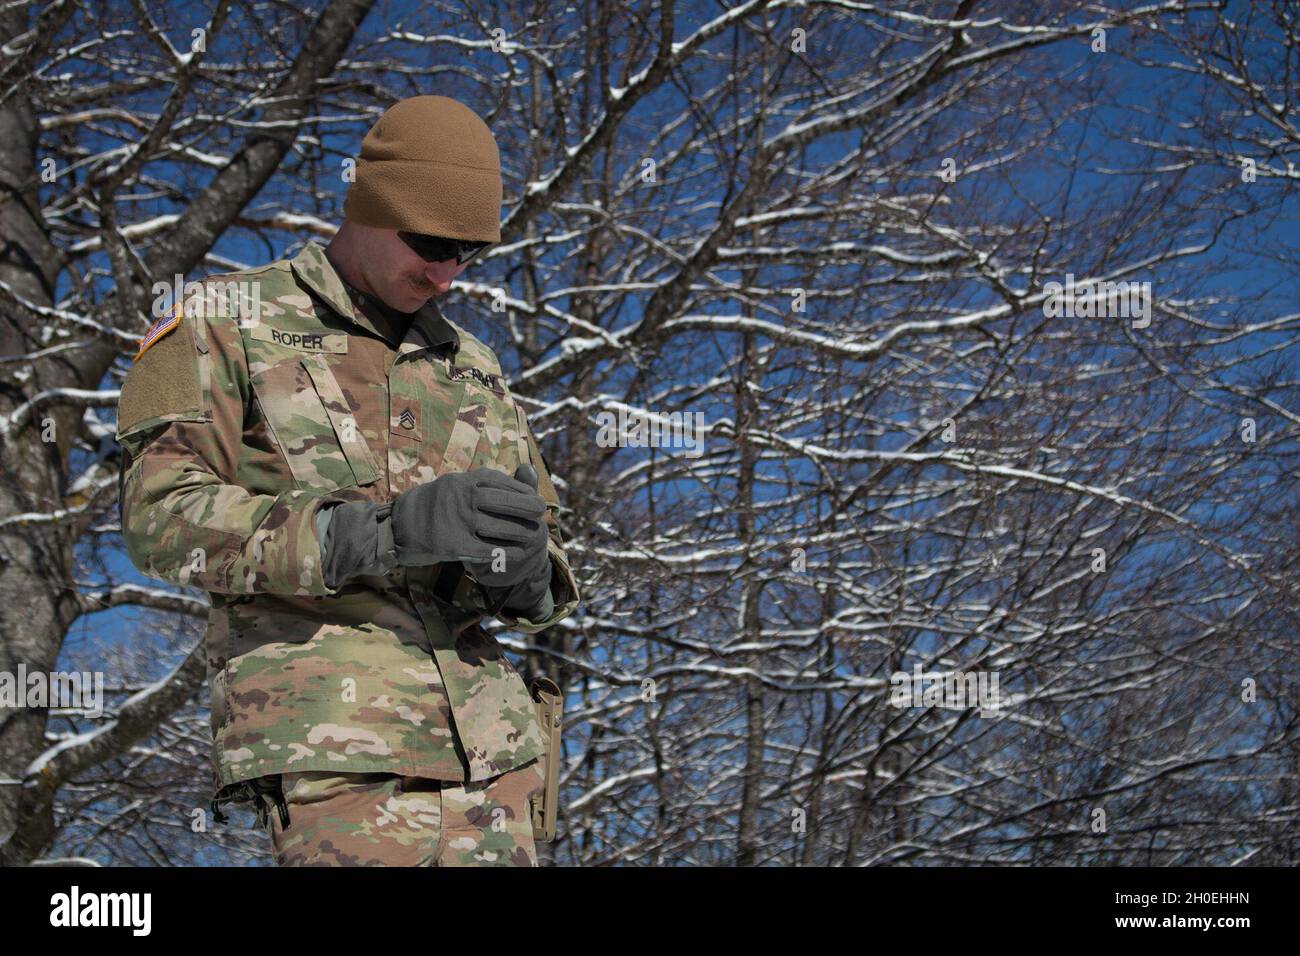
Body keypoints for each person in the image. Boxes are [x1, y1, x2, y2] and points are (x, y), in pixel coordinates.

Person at [115, 95, 580, 866]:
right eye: (429, 241)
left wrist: (527, 572)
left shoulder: (475, 367)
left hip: (500, 767)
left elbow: (549, 556)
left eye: (468, 252)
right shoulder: (224, 321)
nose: (444, 274)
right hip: (340, 761)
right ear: (366, 204)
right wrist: (377, 535)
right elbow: (161, 520)